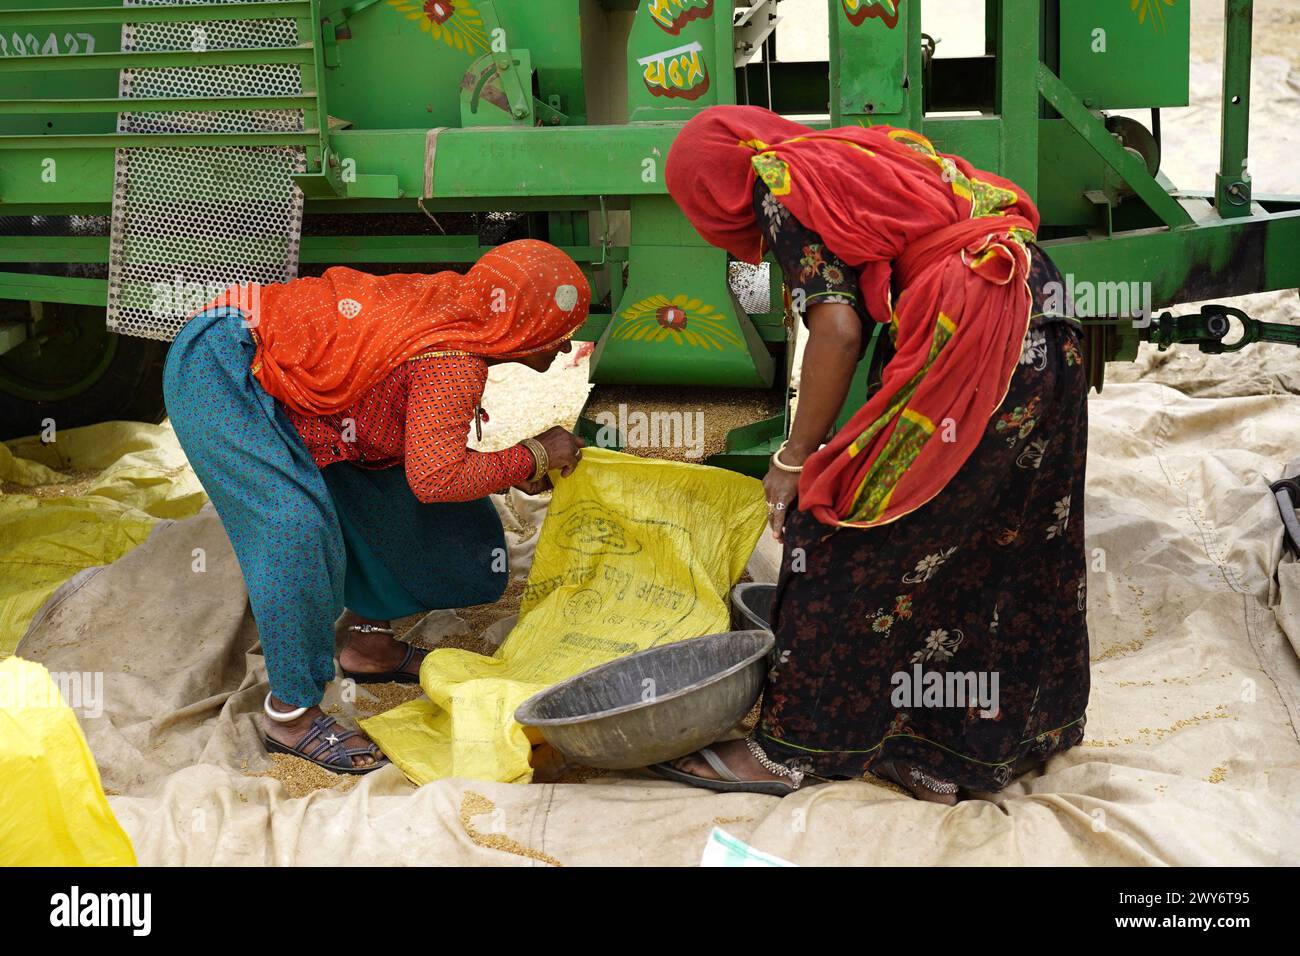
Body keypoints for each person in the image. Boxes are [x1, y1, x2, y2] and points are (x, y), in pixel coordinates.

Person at [654, 106, 1089, 802]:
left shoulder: (779, 182)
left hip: (975, 326)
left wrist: (795, 460)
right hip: (1046, 305)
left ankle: (793, 752)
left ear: (714, 188)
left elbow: (837, 332)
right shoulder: (855, 153)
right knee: (1006, 530)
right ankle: (961, 750)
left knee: (841, 532)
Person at [164, 239, 589, 773]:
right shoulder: (453, 359)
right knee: (292, 528)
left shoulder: (461, 314)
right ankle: (289, 714)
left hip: (290, 380)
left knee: (405, 510)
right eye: (556, 333)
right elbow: (436, 477)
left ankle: (368, 646)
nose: (562, 348)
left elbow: (426, 461)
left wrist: (516, 467)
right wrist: (533, 455)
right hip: (224, 366)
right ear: (522, 327)